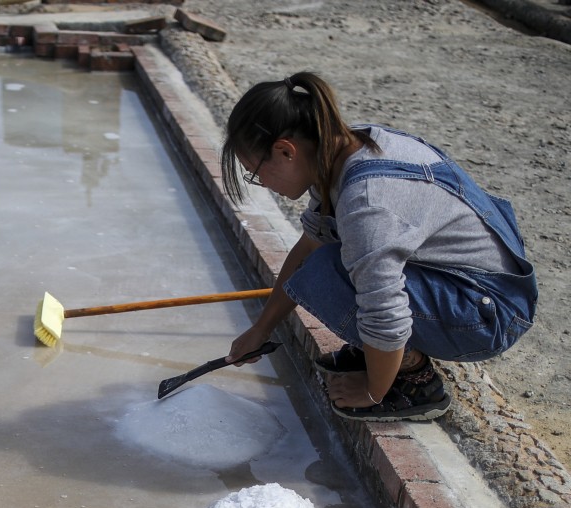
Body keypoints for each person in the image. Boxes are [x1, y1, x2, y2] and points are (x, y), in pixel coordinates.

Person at [222, 72, 537, 422]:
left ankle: (414, 380)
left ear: (285, 150)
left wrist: (373, 390)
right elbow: (307, 248)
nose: (261, 184)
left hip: (488, 314)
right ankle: (384, 357)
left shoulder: (367, 202)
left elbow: (384, 312)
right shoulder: (341, 147)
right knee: (320, 264)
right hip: (472, 287)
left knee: (325, 275)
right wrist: (261, 328)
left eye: (255, 173)